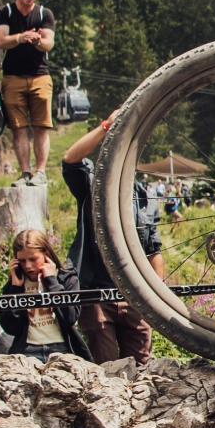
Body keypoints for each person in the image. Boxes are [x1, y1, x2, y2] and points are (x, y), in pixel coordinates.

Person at [61, 111, 164, 365]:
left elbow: (154, 249)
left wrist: (156, 297)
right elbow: (70, 160)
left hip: (135, 294)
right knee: (104, 370)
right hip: (97, 294)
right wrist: (106, 126)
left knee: (142, 369)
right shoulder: (91, 185)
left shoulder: (143, 197)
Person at [0, 0, 54, 187]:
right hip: (13, 78)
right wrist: (21, 37)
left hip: (40, 76)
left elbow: (48, 43)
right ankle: (25, 172)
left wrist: (37, 41)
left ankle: (41, 172)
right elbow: (0, 40)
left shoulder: (44, 13)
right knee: (18, 128)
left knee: (41, 126)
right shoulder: (5, 12)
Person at [0, 229, 90, 362]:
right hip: (28, 351)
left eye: (33, 259)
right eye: (22, 261)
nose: (28, 266)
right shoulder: (14, 285)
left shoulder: (66, 278)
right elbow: (11, 328)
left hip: (62, 348)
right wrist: (16, 290)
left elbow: (69, 317)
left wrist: (52, 282)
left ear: (46, 254)